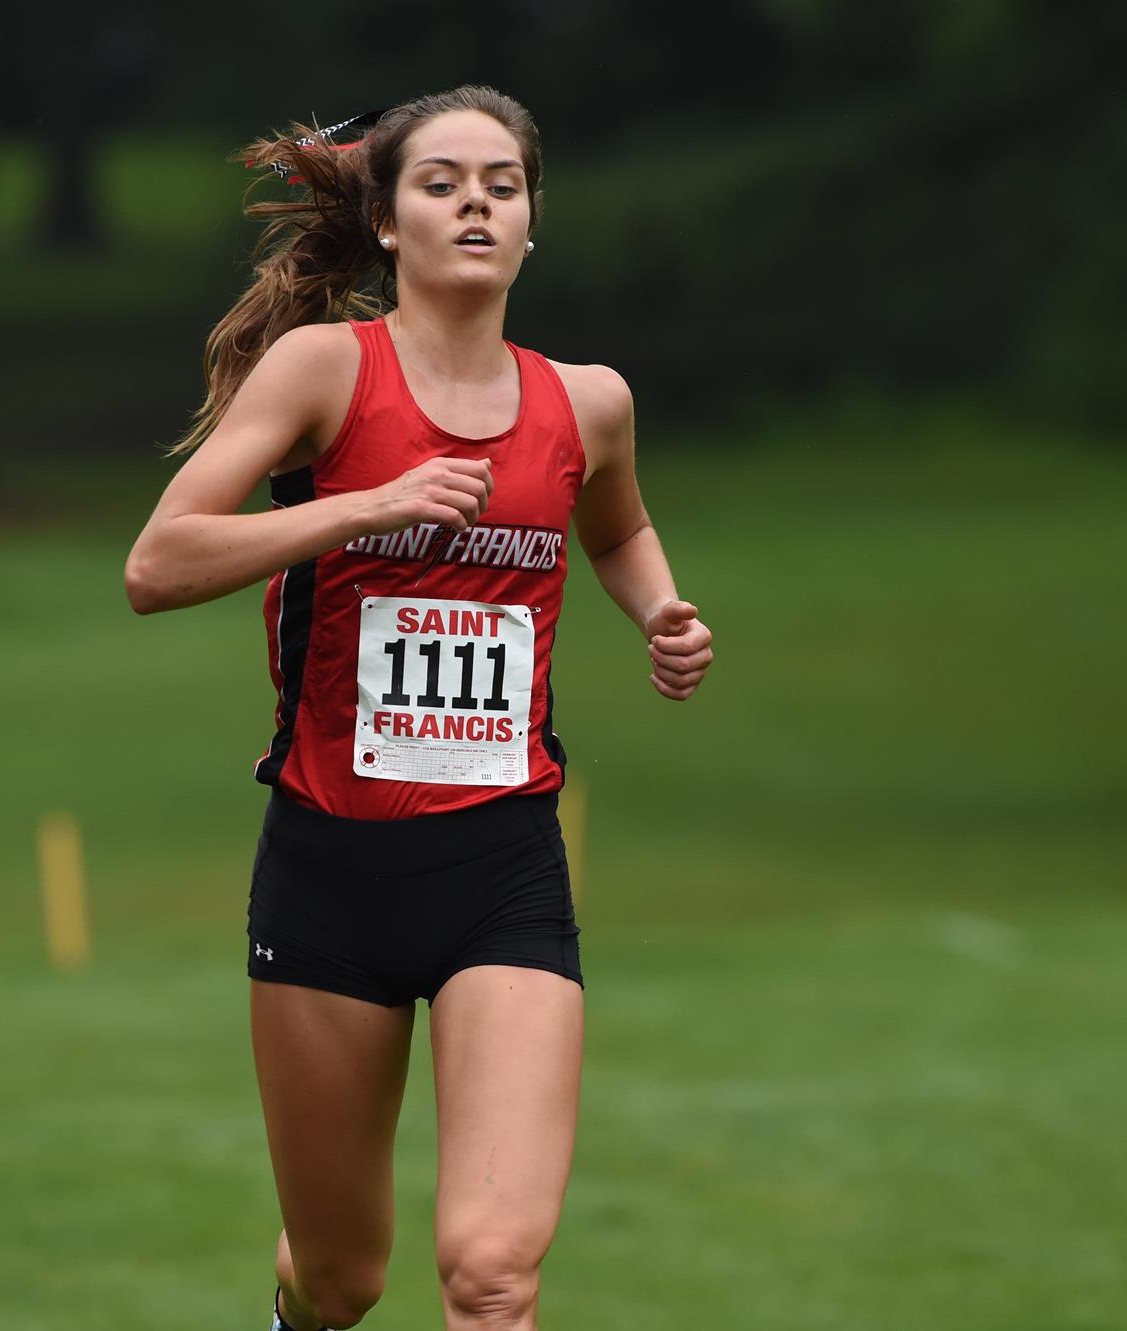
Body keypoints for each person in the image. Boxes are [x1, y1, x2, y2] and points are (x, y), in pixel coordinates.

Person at [122, 86, 713, 1331]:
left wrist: (659, 610)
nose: (475, 203)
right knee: (342, 1277)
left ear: (532, 218)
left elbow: (620, 523)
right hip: (326, 871)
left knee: (491, 1270)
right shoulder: (324, 370)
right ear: (387, 221)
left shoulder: (585, 401)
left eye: (501, 182)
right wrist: (360, 505)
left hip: (501, 861)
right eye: (441, 182)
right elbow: (157, 562)